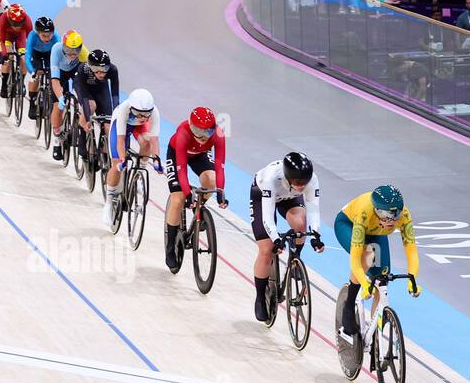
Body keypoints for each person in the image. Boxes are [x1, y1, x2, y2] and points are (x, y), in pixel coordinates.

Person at [334, 186, 420, 342]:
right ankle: (349, 304)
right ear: (377, 210)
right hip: (348, 224)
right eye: (386, 215)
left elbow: (411, 251)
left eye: (395, 215)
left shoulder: (404, 215)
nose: (392, 221)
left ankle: (375, 340)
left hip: (375, 232)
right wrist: (364, 283)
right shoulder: (364, 213)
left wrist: (412, 278)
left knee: (382, 281)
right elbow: (355, 258)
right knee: (367, 254)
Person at [249, 153, 323, 323]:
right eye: (298, 183)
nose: (302, 186)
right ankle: (260, 297)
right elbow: (267, 217)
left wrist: (316, 235)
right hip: (263, 196)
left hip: (288, 198)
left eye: (304, 183)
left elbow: (313, 210)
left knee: (300, 223)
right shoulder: (270, 179)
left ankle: (295, 259)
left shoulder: (309, 180)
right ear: (289, 178)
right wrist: (276, 239)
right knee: (266, 250)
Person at [164, 107, 231, 272]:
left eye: (207, 131)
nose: (202, 136)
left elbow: (220, 167)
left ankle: (199, 209)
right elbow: (181, 170)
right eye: (198, 131)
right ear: (190, 126)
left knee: (211, 179)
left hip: (199, 155)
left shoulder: (218, 134)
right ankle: (171, 246)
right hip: (177, 154)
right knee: (178, 199)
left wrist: (220, 192)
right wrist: (187, 193)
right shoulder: (182, 134)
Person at [101, 88, 164, 230]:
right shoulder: (124, 109)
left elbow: (154, 140)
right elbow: (120, 140)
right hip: (121, 127)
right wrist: (123, 159)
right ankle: (109, 203)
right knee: (117, 164)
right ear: (131, 108)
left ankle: (140, 171)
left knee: (146, 141)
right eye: (139, 114)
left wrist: (156, 160)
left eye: (146, 114)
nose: (142, 117)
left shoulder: (154, 112)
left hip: (138, 128)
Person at [67, 47, 119, 164]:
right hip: (84, 91)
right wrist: (88, 119)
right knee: (91, 106)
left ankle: (106, 157)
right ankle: (82, 135)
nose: (101, 73)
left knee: (108, 125)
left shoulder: (113, 70)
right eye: (96, 69)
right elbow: (85, 98)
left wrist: (115, 116)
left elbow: (115, 96)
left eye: (104, 69)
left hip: (101, 90)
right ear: (90, 66)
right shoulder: (83, 70)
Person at [22, 16, 58, 124]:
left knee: (52, 76)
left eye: (49, 35)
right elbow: (27, 56)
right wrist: (33, 71)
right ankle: (32, 102)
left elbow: (59, 56)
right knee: (36, 76)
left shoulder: (56, 37)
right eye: (44, 35)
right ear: (38, 33)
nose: (47, 38)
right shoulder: (32, 36)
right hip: (35, 54)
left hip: (50, 55)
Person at [0, 3, 30, 102]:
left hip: (21, 37)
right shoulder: (3, 18)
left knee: (23, 59)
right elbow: (1, 40)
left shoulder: (27, 20)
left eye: (19, 24)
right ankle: (4, 84)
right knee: (8, 59)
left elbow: (31, 40)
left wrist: (29, 55)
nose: (17, 27)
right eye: (14, 24)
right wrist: (4, 55)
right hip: (7, 36)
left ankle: (21, 82)